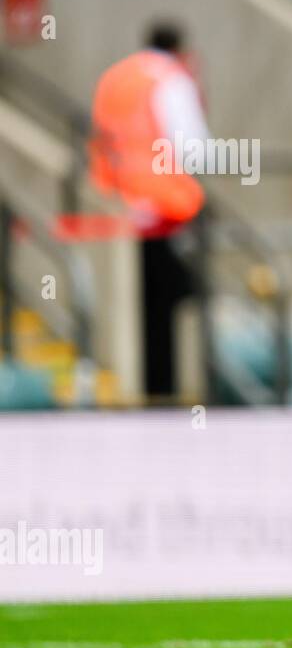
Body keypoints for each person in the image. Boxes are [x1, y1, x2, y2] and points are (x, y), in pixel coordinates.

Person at [89, 22, 208, 401]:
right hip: (166, 210)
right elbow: (194, 147)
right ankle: (164, 392)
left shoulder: (115, 78)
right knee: (171, 307)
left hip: (119, 209)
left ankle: (143, 387)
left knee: (136, 311)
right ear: (178, 48)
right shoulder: (172, 78)